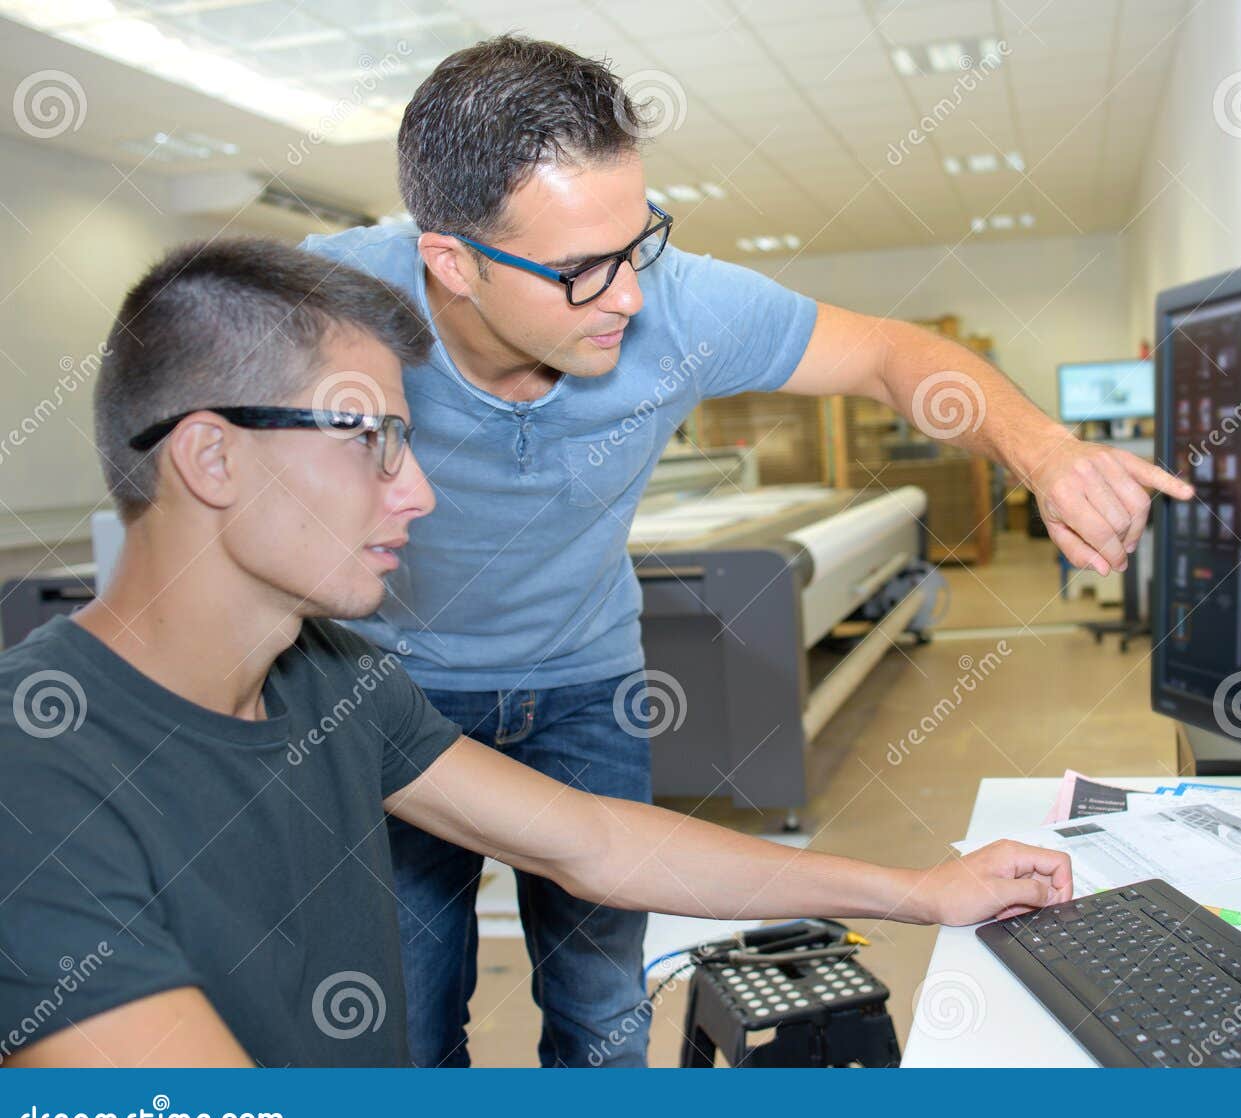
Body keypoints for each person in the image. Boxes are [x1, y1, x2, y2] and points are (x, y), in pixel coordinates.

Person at [299, 36, 1191, 1068]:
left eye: (640, 242)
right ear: (449, 261)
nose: (629, 294)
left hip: (585, 680)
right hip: (391, 690)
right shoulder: (324, 304)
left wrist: (1045, 451)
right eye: (583, 270)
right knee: (410, 1017)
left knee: (600, 1013)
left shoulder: (673, 304)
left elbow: (894, 356)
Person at [0, 239, 1072, 1068]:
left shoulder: (332, 684)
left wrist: (921, 891)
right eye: (370, 437)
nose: (418, 491)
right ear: (210, 456)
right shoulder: (34, 771)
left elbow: (597, 844)